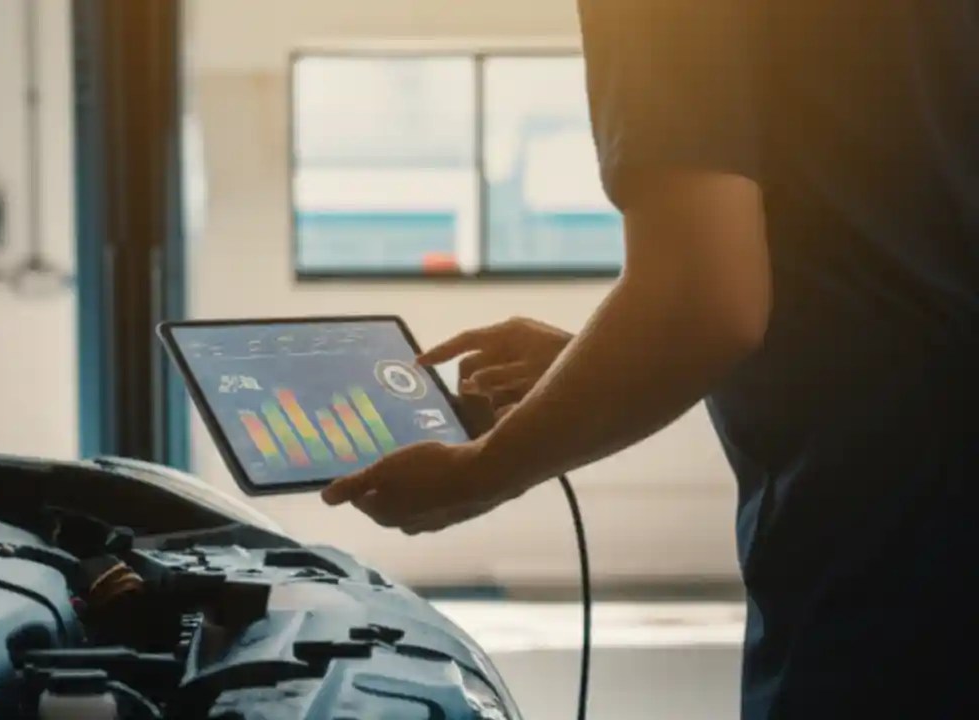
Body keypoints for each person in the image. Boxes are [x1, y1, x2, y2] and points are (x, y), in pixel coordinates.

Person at [321, 2, 978, 718]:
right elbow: (891, 248)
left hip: (895, 562)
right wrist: (599, 360)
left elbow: (701, 303)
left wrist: (483, 473)